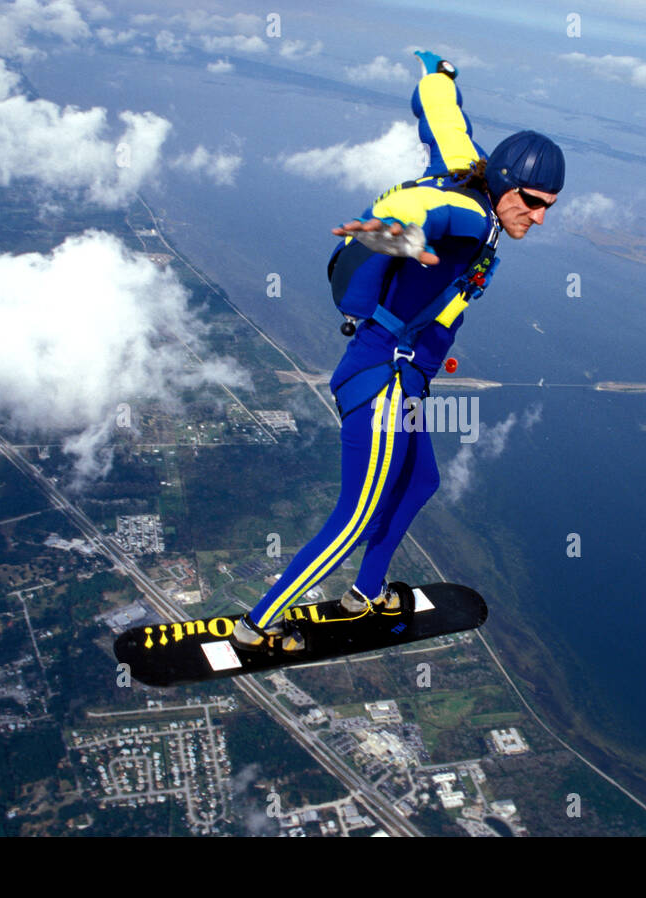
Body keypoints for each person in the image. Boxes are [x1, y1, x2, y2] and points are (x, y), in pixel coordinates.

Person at [232, 50, 564, 652]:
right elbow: (418, 210)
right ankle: (259, 625)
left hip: (404, 379)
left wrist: (439, 75)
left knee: (419, 483)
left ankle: (367, 590)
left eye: (549, 207)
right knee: (356, 516)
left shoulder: (471, 171)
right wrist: (392, 231)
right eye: (533, 203)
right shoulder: (469, 213)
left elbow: (443, 119)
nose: (538, 218)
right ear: (508, 186)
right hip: (383, 379)